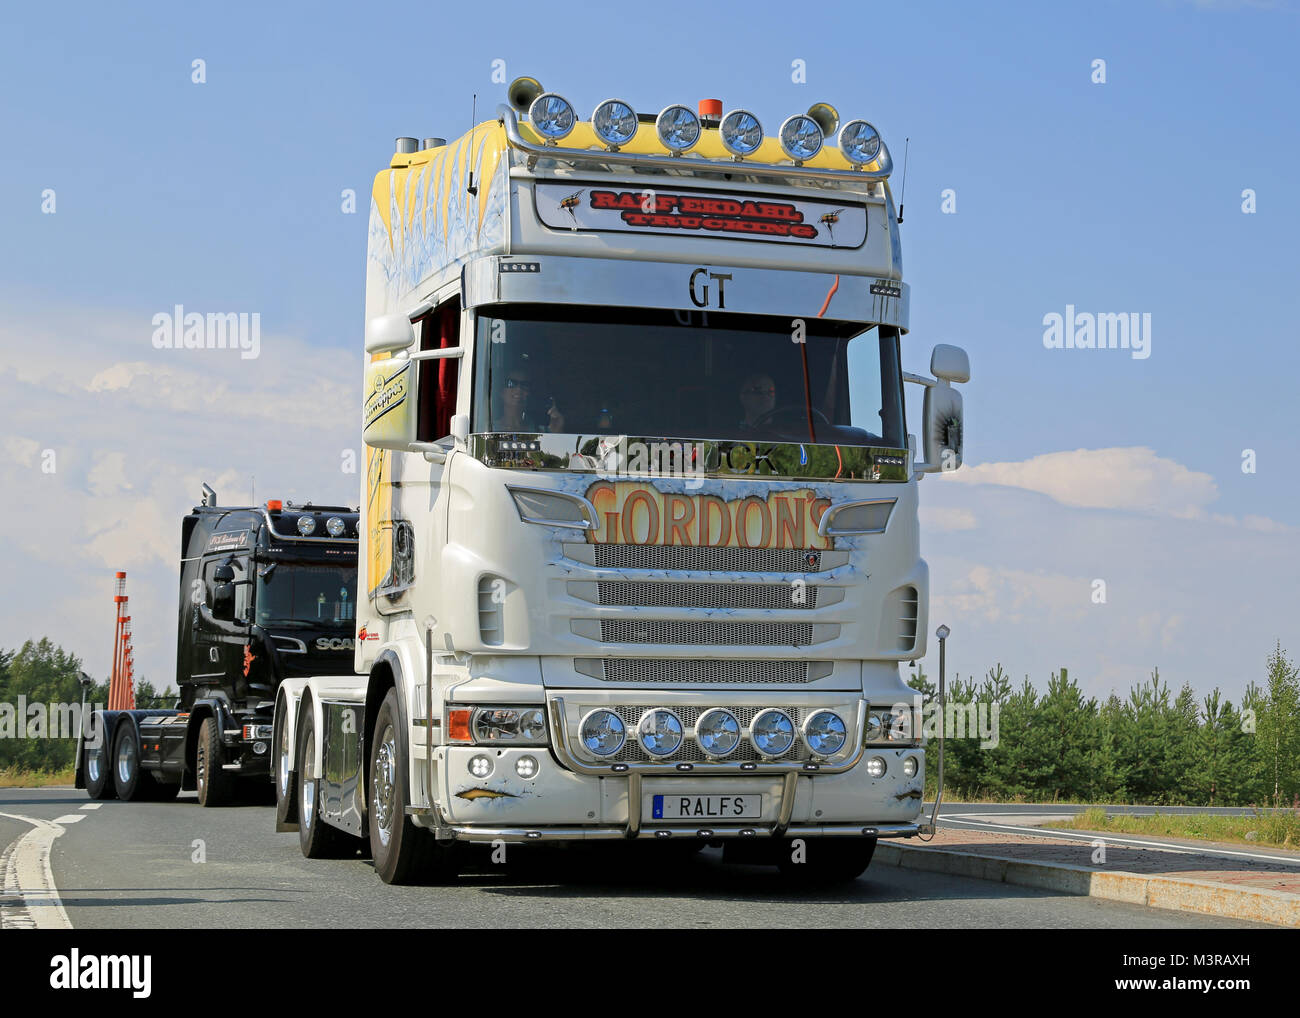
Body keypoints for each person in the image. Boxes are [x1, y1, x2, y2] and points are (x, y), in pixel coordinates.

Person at [494, 368, 564, 432]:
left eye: (524, 385)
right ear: (501, 392)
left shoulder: (539, 430)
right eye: (511, 383)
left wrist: (557, 430)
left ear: (529, 393)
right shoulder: (489, 429)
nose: (519, 389)